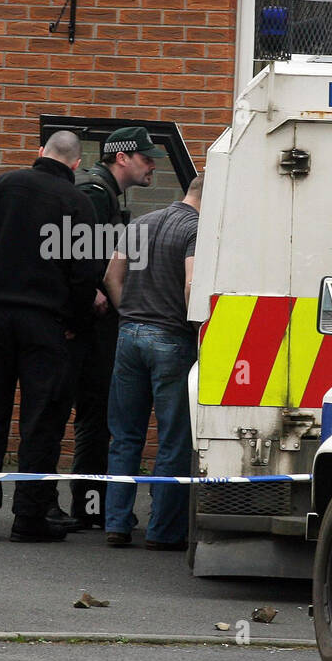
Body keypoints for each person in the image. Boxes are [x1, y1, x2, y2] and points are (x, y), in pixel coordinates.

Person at [0, 131, 102, 543]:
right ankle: (29, 518)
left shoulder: (4, 185)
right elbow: (86, 274)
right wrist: (76, 321)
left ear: (39, 154)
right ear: (76, 165)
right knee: (41, 422)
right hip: (45, 326)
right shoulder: (78, 203)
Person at [55, 126, 166, 532]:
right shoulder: (95, 194)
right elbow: (76, 258)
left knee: (93, 415)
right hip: (86, 329)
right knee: (91, 416)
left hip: (89, 327)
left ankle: (89, 506)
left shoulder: (104, 194)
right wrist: (90, 297)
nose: (152, 163)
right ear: (122, 157)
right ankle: (88, 507)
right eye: (145, 157)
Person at [101, 173, 203, 550]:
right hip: (171, 339)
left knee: (125, 436)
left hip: (129, 336)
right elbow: (192, 283)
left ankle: (116, 524)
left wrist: (126, 311)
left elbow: (113, 275)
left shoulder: (141, 223)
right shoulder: (196, 229)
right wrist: (197, 324)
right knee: (173, 440)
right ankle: (163, 531)